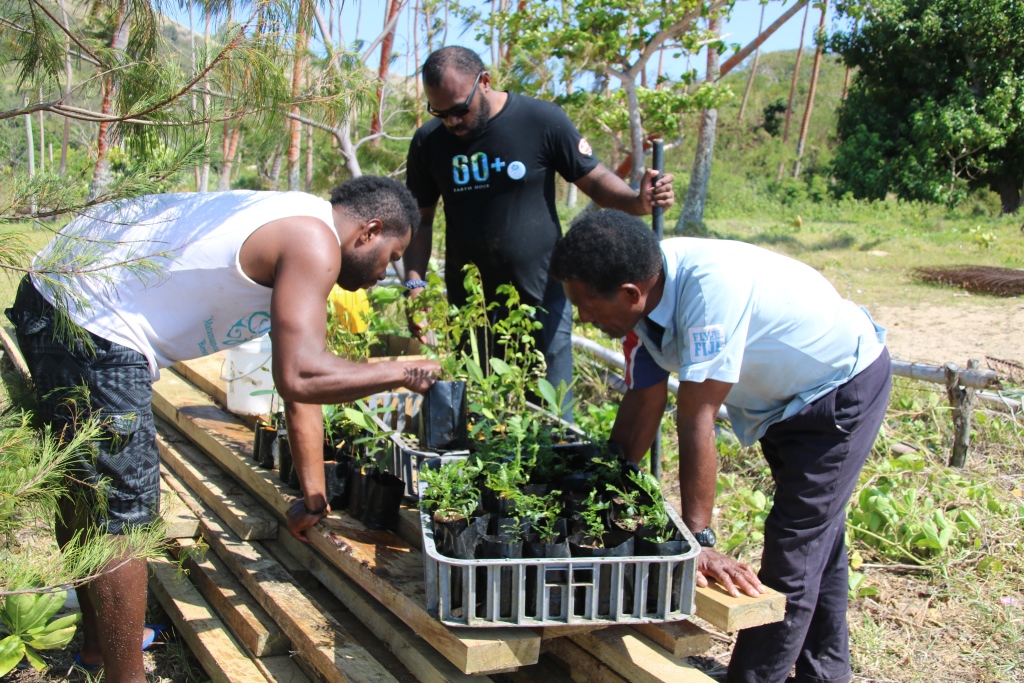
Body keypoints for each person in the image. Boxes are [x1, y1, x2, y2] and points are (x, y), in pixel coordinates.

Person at [5, 176, 440, 682]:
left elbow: (301, 386)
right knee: (124, 513)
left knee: (89, 491)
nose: (385, 274)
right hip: (93, 316)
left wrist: (313, 497)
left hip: (58, 289)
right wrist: (402, 370)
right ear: (370, 230)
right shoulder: (314, 240)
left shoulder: (303, 228)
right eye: (392, 257)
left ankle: (101, 649)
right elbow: (301, 374)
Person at [550, 210, 892, 683]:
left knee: (794, 548)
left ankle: (754, 676)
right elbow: (643, 403)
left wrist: (696, 541)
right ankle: (827, 673)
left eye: (586, 305)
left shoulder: (709, 292)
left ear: (630, 294)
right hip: (782, 403)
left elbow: (698, 416)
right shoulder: (644, 295)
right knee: (817, 536)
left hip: (837, 392)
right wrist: (605, 491)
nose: (584, 318)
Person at [404, 46, 675, 403]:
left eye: (459, 110)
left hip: (543, 297)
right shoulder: (429, 142)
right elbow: (420, 222)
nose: (452, 122)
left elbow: (594, 179)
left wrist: (636, 201)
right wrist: (415, 285)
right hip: (471, 304)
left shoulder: (540, 120)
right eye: (440, 113)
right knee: (480, 403)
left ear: (484, 81)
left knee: (549, 405)